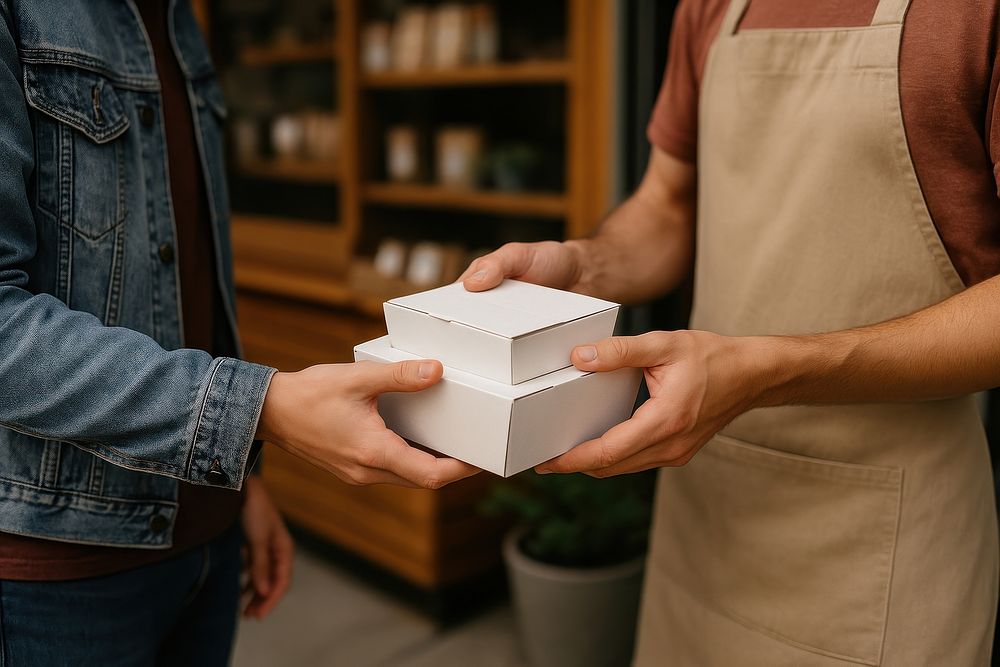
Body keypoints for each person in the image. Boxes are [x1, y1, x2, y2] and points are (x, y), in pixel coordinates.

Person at [462, 0, 1000, 663]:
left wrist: (769, 370)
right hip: (705, 511)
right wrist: (583, 263)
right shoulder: (710, 6)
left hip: (882, 548)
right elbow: (668, 202)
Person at [0, 1, 475, 664]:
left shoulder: (177, 19)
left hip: (208, 537)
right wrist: (262, 410)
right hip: (62, 573)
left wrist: (242, 480)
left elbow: (186, 271)